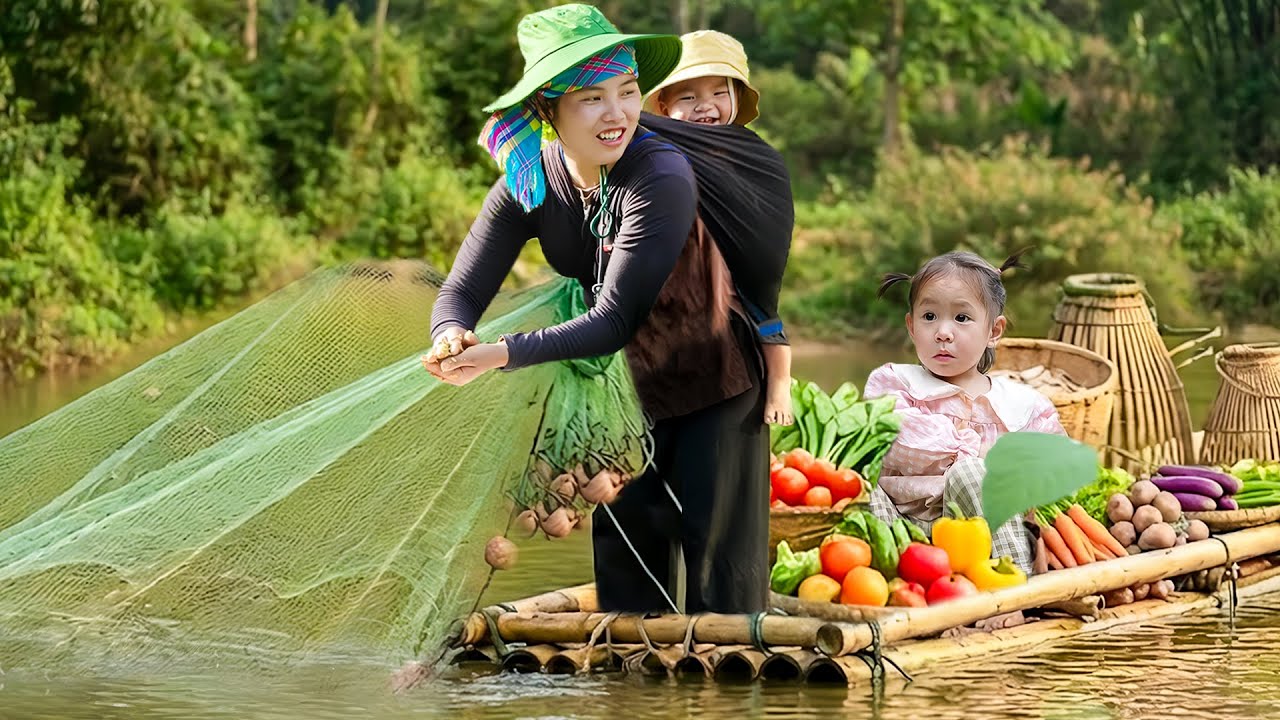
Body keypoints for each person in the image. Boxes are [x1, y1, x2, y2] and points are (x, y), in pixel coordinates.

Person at [423, 4, 774, 614]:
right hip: (619, 397)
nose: (617, 114)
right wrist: (451, 332)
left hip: (714, 381)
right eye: (592, 98)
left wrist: (499, 354)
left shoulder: (659, 172)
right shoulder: (528, 180)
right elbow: (460, 292)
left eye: (629, 92)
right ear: (547, 109)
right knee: (629, 595)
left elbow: (614, 318)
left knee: (723, 596)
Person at [866, 251, 1067, 584]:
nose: (943, 332)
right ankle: (892, 588)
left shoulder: (1022, 404)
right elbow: (898, 440)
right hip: (905, 534)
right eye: (929, 316)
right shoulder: (895, 383)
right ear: (911, 326)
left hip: (983, 541)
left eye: (961, 318)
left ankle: (1013, 587)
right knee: (859, 486)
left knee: (972, 474)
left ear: (994, 331)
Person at [643, 30, 793, 427]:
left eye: (718, 93)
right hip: (684, 271)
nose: (704, 106)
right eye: (688, 97)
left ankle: (780, 382)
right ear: (663, 104)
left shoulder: (752, 153)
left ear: (737, 97)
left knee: (766, 316)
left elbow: (765, 214)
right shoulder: (656, 145)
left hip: (739, 269)